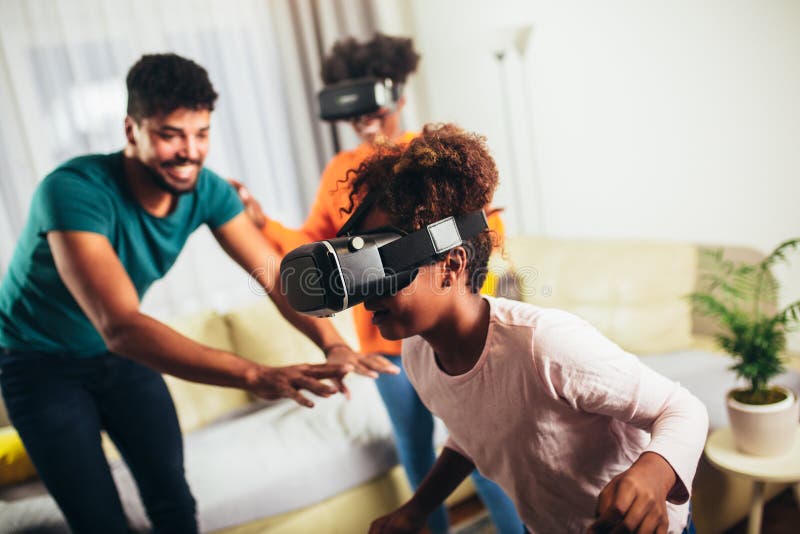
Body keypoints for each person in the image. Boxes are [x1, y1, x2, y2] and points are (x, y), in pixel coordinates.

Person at [0, 53, 398, 534]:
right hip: (39, 365)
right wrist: (254, 374)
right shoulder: (72, 192)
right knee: (98, 522)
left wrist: (332, 344)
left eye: (201, 133)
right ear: (132, 130)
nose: (190, 151)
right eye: (171, 135)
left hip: (118, 361)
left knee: (174, 504)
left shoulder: (206, 190)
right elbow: (120, 326)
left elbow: (274, 274)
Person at [346, 124, 709, 534]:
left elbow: (682, 409)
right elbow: (474, 432)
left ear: (451, 266)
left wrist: (652, 475)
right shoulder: (418, 353)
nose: (368, 293)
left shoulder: (543, 345)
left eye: (385, 270)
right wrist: (417, 509)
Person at [233, 34, 523, 534]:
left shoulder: (434, 158)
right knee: (415, 455)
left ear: (399, 97)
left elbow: (482, 231)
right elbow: (315, 240)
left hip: (452, 339)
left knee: (480, 447)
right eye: (350, 105)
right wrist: (260, 225)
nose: (361, 116)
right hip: (387, 347)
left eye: (370, 100)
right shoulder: (338, 171)